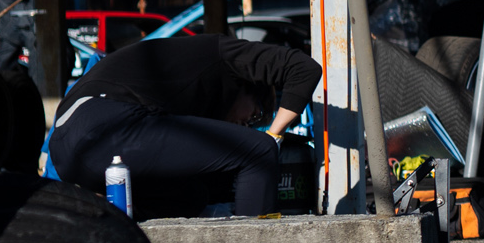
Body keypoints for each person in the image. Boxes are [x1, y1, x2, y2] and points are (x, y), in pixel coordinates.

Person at [47, 34, 320, 217]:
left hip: (66, 150)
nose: (248, 124)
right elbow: (304, 68)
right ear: (249, 86)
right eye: (255, 115)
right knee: (258, 152)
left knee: (192, 196)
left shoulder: (188, 88)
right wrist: (273, 135)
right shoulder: (223, 53)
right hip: (101, 123)